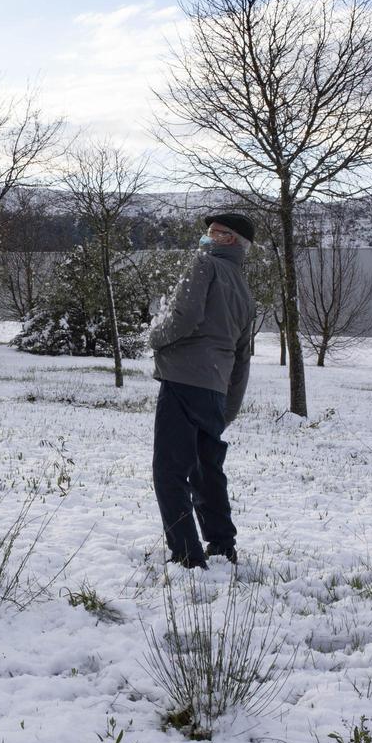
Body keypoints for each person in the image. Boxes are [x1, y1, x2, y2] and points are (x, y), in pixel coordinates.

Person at [148, 212, 255, 569]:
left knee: (169, 471)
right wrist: (229, 405)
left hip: (182, 379)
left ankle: (187, 556)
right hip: (215, 388)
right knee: (207, 470)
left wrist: (156, 338)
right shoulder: (243, 289)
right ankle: (223, 545)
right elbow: (242, 357)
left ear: (230, 240)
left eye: (214, 232)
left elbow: (185, 316)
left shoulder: (204, 265)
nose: (206, 237)